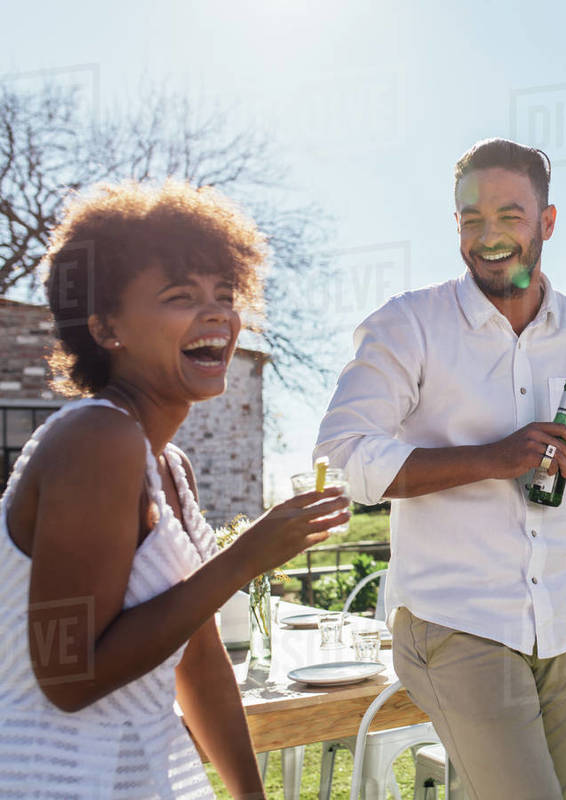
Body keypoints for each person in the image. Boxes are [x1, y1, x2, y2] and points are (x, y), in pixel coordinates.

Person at [314, 138, 566, 800]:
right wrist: (492, 458)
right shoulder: (409, 324)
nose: (489, 235)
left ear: (547, 223)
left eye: (510, 215)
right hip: (456, 622)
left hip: (563, 623)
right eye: (471, 218)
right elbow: (344, 451)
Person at [0, 180, 350, 799]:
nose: (217, 314)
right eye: (180, 296)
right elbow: (66, 676)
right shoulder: (95, 439)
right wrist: (246, 558)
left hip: (139, 777)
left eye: (225, 294)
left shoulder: (172, 466)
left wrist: (250, 794)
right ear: (107, 327)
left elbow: (198, 658)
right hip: (54, 779)